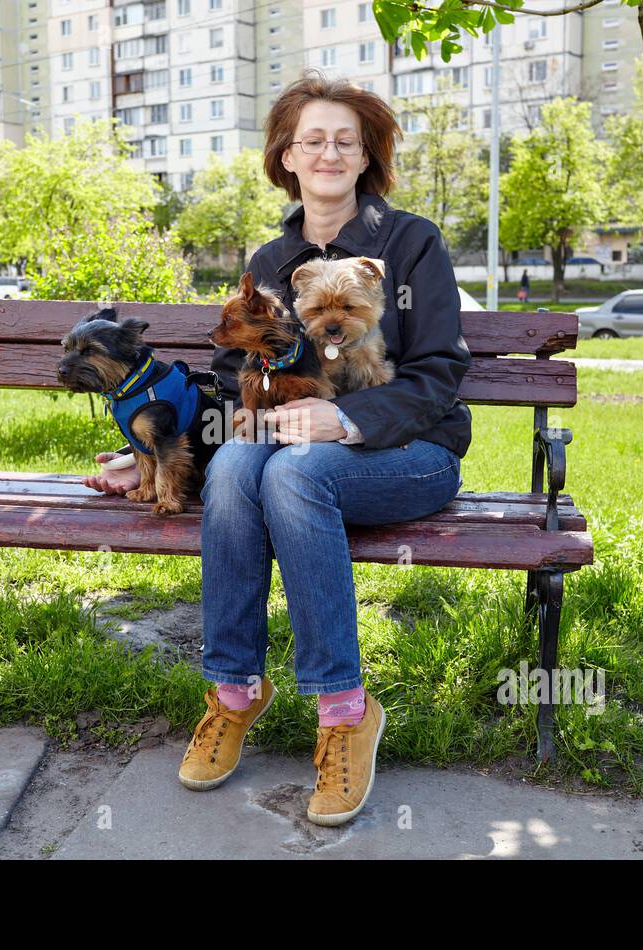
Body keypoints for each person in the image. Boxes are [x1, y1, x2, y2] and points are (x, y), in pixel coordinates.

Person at [81, 69, 472, 827]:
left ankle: (343, 712)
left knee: (295, 475)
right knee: (231, 468)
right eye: (311, 140)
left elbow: (440, 373)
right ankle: (234, 690)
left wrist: (347, 421)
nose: (328, 152)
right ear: (287, 157)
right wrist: (160, 455)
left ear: (367, 156)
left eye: (344, 140)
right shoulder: (268, 262)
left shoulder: (409, 243)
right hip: (288, 449)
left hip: (412, 451)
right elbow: (236, 388)